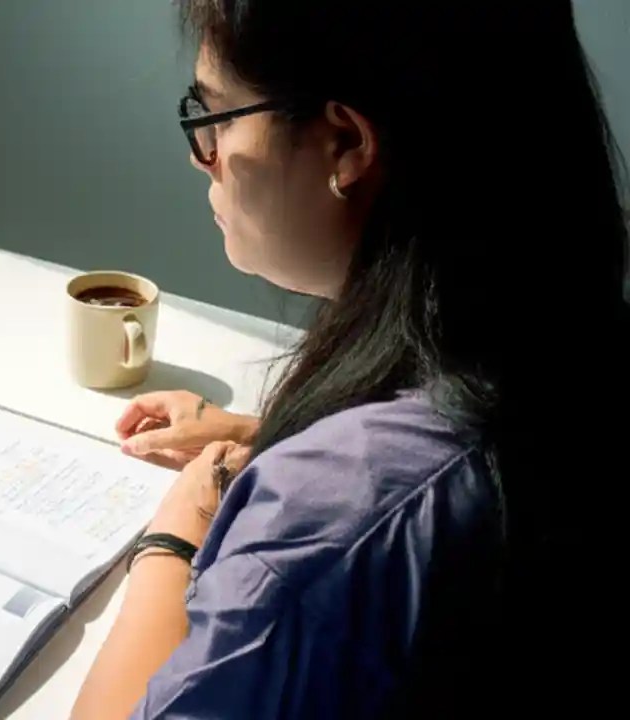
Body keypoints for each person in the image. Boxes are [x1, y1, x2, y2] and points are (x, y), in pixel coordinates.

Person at [71, 1, 629, 718]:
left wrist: (175, 535)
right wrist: (255, 434)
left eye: (217, 117)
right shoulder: (555, 348)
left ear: (345, 143)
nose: (198, 153)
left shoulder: (330, 514)